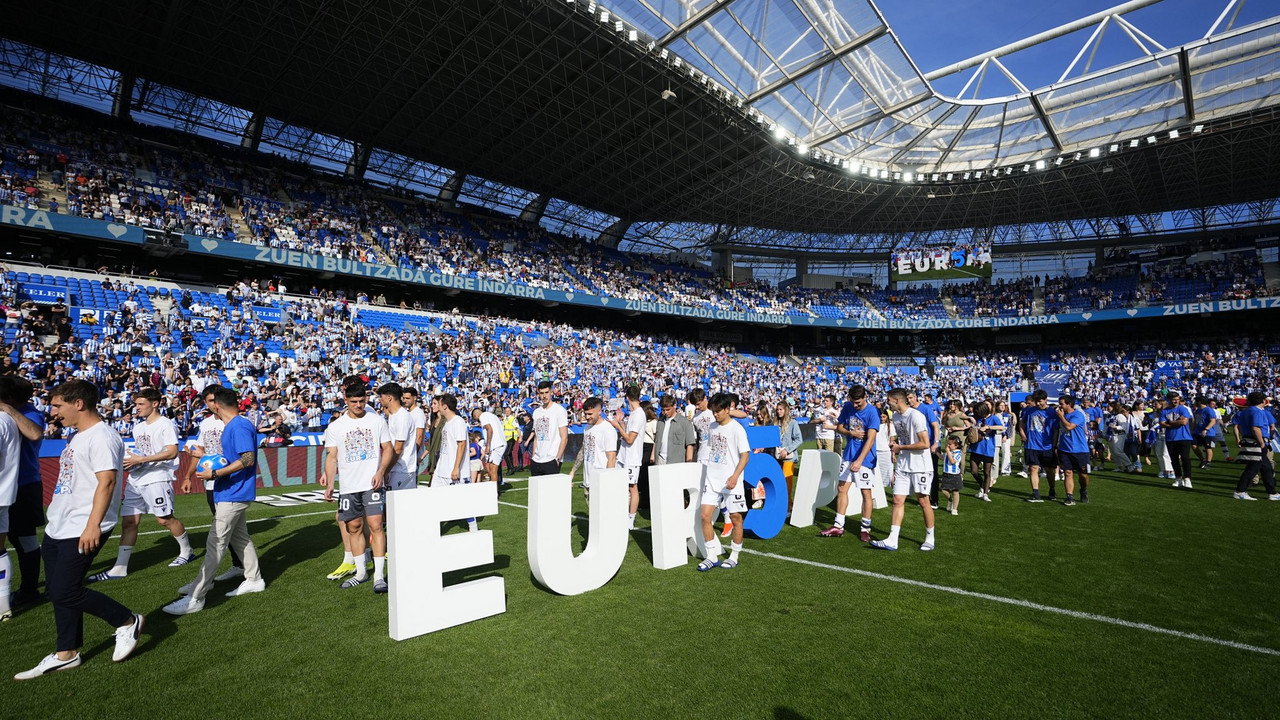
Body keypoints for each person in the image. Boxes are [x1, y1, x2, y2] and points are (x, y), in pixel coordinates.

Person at [15, 380, 143, 680]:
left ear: (79, 404)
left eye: (58, 405)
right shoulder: (78, 436)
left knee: (64, 589)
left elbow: (107, 482)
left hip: (84, 526)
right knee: (59, 592)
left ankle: (126, 621)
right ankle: (67, 653)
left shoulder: (102, 437)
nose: (53, 412)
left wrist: (93, 525)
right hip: (60, 524)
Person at [164, 386, 265, 615]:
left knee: (215, 543)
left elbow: (247, 459)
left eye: (209, 403)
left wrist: (215, 474)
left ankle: (196, 596)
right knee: (240, 539)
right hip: (230, 491)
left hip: (234, 492)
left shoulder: (238, 425)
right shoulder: (235, 425)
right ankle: (254, 578)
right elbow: (230, 458)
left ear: (216, 405)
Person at [89, 388, 193, 581]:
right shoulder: (138, 427)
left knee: (164, 519)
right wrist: (133, 462)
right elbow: (141, 453)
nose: (136, 408)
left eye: (140, 404)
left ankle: (187, 551)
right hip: (137, 478)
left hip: (158, 477)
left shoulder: (165, 425)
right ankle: (119, 568)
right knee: (129, 522)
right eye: (136, 404)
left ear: (155, 404)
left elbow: (171, 452)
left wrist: (141, 460)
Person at [324, 383, 393, 592]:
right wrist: (329, 483)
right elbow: (332, 457)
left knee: (375, 525)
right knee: (353, 527)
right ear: (346, 400)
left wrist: (380, 471)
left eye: (362, 401)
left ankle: (379, 576)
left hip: (371, 483)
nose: (358, 405)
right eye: (353, 402)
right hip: (348, 486)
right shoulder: (336, 426)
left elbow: (387, 449)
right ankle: (361, 572)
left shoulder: (377, 421)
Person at [181, 384, 244, 581]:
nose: (213, 405)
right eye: (209, 401)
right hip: (211, 483)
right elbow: (199, 453)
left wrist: (205, 455)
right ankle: (242, 566)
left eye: (215, 400)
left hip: (229, 481)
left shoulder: (234, 422)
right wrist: (186, 476)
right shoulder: (206, 424)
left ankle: (205, 581)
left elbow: (240, 457)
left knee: (221, 532)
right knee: (233, 531)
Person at [0, 376, 47, 612]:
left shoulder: (31, 413)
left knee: (25, 540)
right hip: (12, 484)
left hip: (24, 485)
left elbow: (35, 434)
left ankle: (29, 590)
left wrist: (8, 410)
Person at [872, 388, 936, 552]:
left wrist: (901, 447)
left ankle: (930, 538)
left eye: (889, 400)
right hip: (903, 464)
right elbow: (903, 440)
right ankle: (892, 539)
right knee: (897, 500)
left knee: (923, 501)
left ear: (897, 400)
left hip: (920, 465)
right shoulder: (897, 416)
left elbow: (925, 444)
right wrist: (896, 446)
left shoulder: (916, 416)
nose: (887, 403)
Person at [696, 394, 750, 571]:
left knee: (735, 518)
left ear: (728, 410)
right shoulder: (712, 427)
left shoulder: (737, 429)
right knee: (705, 516)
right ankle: (711, 555)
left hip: (731, 481)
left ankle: (734, 555)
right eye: (713, 411)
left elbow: (745, 456)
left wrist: (735, 477)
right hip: (712, 479)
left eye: (718, 411)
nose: (715, 415)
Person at [820, 385, 879, 542]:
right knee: (841, 488)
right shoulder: (848, 406)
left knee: (866, 493)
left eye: (858, 403)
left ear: (865, 397)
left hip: (865, 459)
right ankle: (838, 526)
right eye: (853, 402)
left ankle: (865, 529)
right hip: (848, 456)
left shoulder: (872, 412)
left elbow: (871, 439)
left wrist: (859, 461)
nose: (855, 405)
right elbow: (840, 427)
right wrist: (850, 433)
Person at [432, 394, 476, 532]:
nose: (437, 406)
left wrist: (456, 468)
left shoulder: (457, 421)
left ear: (445, 406)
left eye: (439, 403)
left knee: (462, 502)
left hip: (454, 471)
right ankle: (433, 528)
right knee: (432, 500)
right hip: (441, 470)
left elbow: (461, 444)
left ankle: (473, 527)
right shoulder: (446, 423)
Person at [607, 385, 646, 529]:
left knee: (632, 487)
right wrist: (621, 422)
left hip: (632, 457)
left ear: (627, 398)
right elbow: (628, 434)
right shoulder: (634, 414)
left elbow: (630, 439)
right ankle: (623, 514)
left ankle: (631, 518)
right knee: (622, 486)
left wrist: (617, 426)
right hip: (624, 455)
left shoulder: (639, 414)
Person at [1233, 391, 1279, 501]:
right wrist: (1262, 442)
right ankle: (1240, 490)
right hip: (1257, 441)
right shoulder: (1257, 411)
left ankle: (1272, 492)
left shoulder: (1245, 411)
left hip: (1249, 439)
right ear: (1262, 400)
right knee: (1253, 467)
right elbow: (1256, 428)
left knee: (1266, 468)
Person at [1019, 390, 1058, 503]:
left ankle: (1052, 489)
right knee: (1033, 468)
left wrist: (1054, 444)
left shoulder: (1052, 412)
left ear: (1046, 399)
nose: (1037, 404)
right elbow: (1022, 422)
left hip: (1047, 445)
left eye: (1040, 401)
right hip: (1032, 445)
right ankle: (1036, 493)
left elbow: (1055, 430)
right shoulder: (1029, 411)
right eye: (1036, 401)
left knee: (1049, 471)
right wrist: (1022, 432)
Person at [379, 383, 417, 491]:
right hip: (396, 468)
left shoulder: (402, 417)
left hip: (403, 470)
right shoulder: (393, 415)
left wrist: (386, 469)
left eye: (381, 396)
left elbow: (398, 448)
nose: (379, 400)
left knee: (398, 504)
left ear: (389, 398)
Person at [908, 391, 942, 510]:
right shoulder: (909, 411)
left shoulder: (926, 408)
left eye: (911, 397)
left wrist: (936, 442)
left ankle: (934, 499)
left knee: (932, 473)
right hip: (917, 446)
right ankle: (923, 497)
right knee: (919, 472)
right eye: (907, 398)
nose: (909, 400)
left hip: (930, 445)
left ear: (916, 397)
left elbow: (935, 425)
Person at [1055, 395, 1091, 505]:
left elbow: (1069, 427)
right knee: (1068, 473)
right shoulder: (1061, 414)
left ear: (1069, 404)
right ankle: (1069, 497)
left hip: (1080, 450)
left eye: (1062, 403)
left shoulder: (1078, 415)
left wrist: (1061, 417)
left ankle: (1083, 490)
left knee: (1083, 475)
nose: (1059, 406)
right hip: (1064, 449)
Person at [528, 381, 568, 476]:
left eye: (546, 392)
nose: (544, 396)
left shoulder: (559, 410)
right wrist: (533, 455)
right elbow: (536, 436)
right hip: (537, 459)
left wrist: (558, 458)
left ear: (551, 392)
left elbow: (564, 437)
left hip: (552, 458)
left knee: (551, 490)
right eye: (541, 393)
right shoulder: (536, 412)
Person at [580, 397, 618, 495]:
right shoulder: (587, 427)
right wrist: (573, 472)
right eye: (585, 414)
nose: (587, 417)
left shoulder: (608, 430)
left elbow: (612, 458)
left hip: (601, 481)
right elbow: (585, 450)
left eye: (590, 414)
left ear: (599, 411)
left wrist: (608, 482)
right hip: (588, 481)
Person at [1161, 392, 1195, 489]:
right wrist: (1177, 422)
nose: (1176, 401)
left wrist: (1170, 422)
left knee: (1185, 458)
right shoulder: (1165, 411)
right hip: (1170, 438)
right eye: (1173, 399)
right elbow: (1162, 424)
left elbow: (1184, 422)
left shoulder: (1183, 409)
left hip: (1184, 437)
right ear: (1169, 400)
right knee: (1174, 459)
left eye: (1177, 399)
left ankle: (1187, 479)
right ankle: (1178, 478)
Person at [651, 394, 695, 467]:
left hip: (676, 463)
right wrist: (653, 456)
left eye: (668, 409)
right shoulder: (660, 422)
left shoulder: (685, 423)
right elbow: (656, 441)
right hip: (660, 461)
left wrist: (688, 464)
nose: (665, 412)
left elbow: (690, 445)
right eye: (663, 410)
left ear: (674, 406)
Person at [970, 401, 1002, 501]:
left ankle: (985, 493)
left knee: (987, 472)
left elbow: (1001, 427)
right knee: (974, 471)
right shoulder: (977, 418)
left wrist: (988, 427)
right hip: (975, 448)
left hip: (988, 448)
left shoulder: (993, 418)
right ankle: (983, 486)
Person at [472, 405, 506, 486]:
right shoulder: (492, 416)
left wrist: (488, 446)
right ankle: (493, 486)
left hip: (496, 444)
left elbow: (489, 429)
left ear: (476, 415)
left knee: (493, 469)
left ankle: (494, 492)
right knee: (488, 466)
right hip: (498, 443)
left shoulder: (483, 416)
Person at [401, 387, 427, 468]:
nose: (405, 400)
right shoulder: (408, 412)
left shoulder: (418, 414)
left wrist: (413, 454)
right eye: (404, 398)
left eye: (408, 398)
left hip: (413, 456)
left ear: (415, 398)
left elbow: (419, 436)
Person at [1193, 396, 1219, 470]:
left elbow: (1213, 421)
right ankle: (1202, 459)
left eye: (1196, 401)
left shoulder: (1209, 410)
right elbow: (1196, 421)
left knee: (1208, 447)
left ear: (1200, 402)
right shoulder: (1197, 411)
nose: (1195, 403)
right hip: (1198, 432)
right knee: (1194, 446)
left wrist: (1206, 429)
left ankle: (1208, 462)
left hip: (1209, 432)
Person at [940, 436, 964, 515]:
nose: (948, 446)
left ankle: (954, 509)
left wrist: (948, 452)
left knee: (955, 491)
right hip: (946, 474)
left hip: (954, 475)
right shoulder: (948, 452)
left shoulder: (958, 453)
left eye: (950, 444)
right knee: (944, 490)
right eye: (947, 444)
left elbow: (952, 461)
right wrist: (936, 453)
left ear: (956, 445)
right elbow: (943, 458)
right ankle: (950, 500)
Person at [993, 400, 1015, 477]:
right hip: (997, 435)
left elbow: (1010, 427)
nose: (1002, 407)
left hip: (1006, 436)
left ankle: (1006, 470)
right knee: (996, 453)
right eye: (1000, 405)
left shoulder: (1008, 415)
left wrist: (1007, 435)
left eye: (1004, 405)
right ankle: (994, 469)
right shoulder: (995, 415)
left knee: (1006, 453)